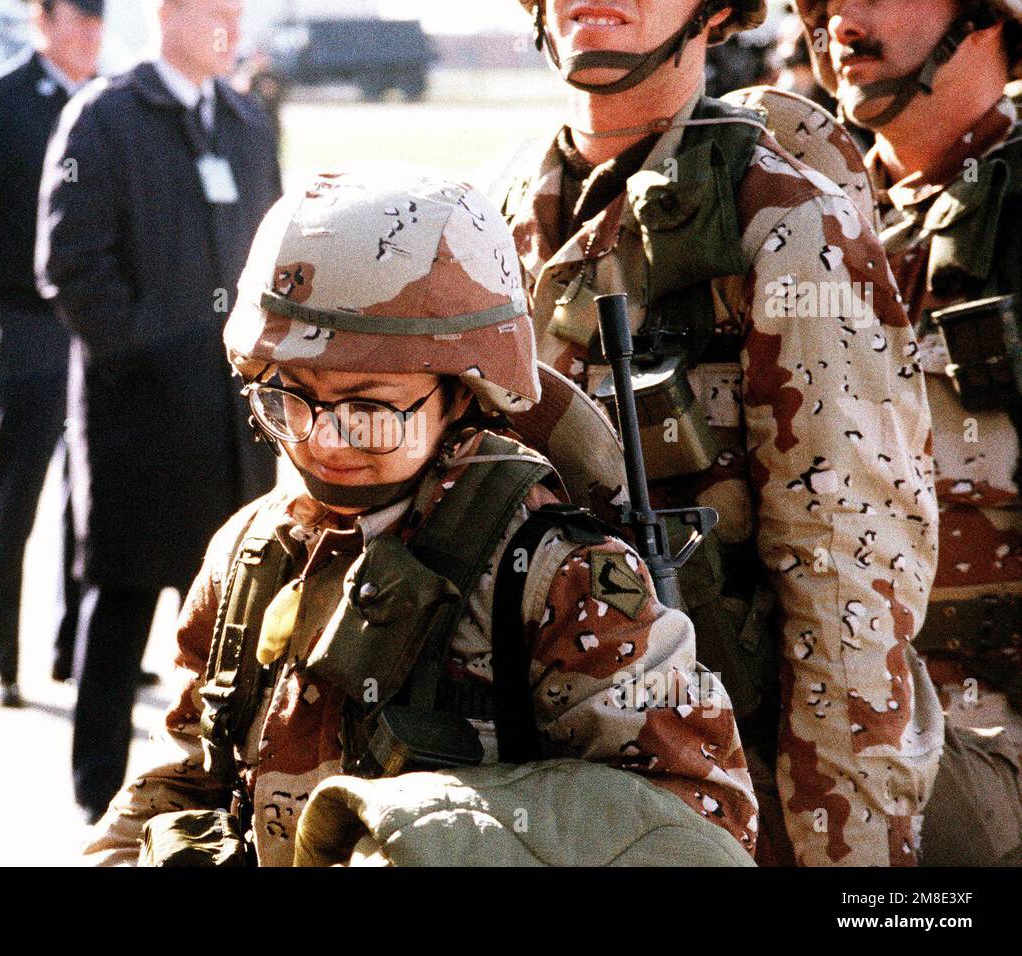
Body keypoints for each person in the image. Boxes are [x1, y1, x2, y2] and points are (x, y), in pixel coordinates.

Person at [82, 168, 758, 867]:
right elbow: (185, 778)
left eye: (370, 409)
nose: (323, 439)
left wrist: (441, 835)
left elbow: (702, 821)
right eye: (288, 400)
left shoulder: (556, 573)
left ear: (464, 395)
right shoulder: (252, 551)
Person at [500, 0, 942, 865]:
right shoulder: (486, 215)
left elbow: (849, 584)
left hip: (724, 794)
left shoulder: (786, 224)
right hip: (528, 779)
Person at [38, 0, 281, 821]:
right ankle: (95, 805)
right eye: (217, 11)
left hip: (235, 432)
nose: (232, 28)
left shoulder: (247, 122)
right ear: (169, 13)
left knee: (236, 630)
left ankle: (219, 799)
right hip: (140, 427)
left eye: (238, 13)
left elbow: (277, 256)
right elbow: (71, 266)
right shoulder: (104, 120)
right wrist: (156, 352)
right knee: (120, 618)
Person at [794, 0, 1022, 866]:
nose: (839, 17)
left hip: (987, 738)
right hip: (851, 708)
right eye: (816, 2)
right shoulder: (800, 216)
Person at [0, 0, 105, 707]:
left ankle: (77, 648)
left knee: (91, 494)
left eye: (100, 21)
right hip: (28, 323)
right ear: (44, 20)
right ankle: (3, 653)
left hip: (93, 327)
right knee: (19, 493)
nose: (94, 32)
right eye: (80, 19)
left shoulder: (104, 103)